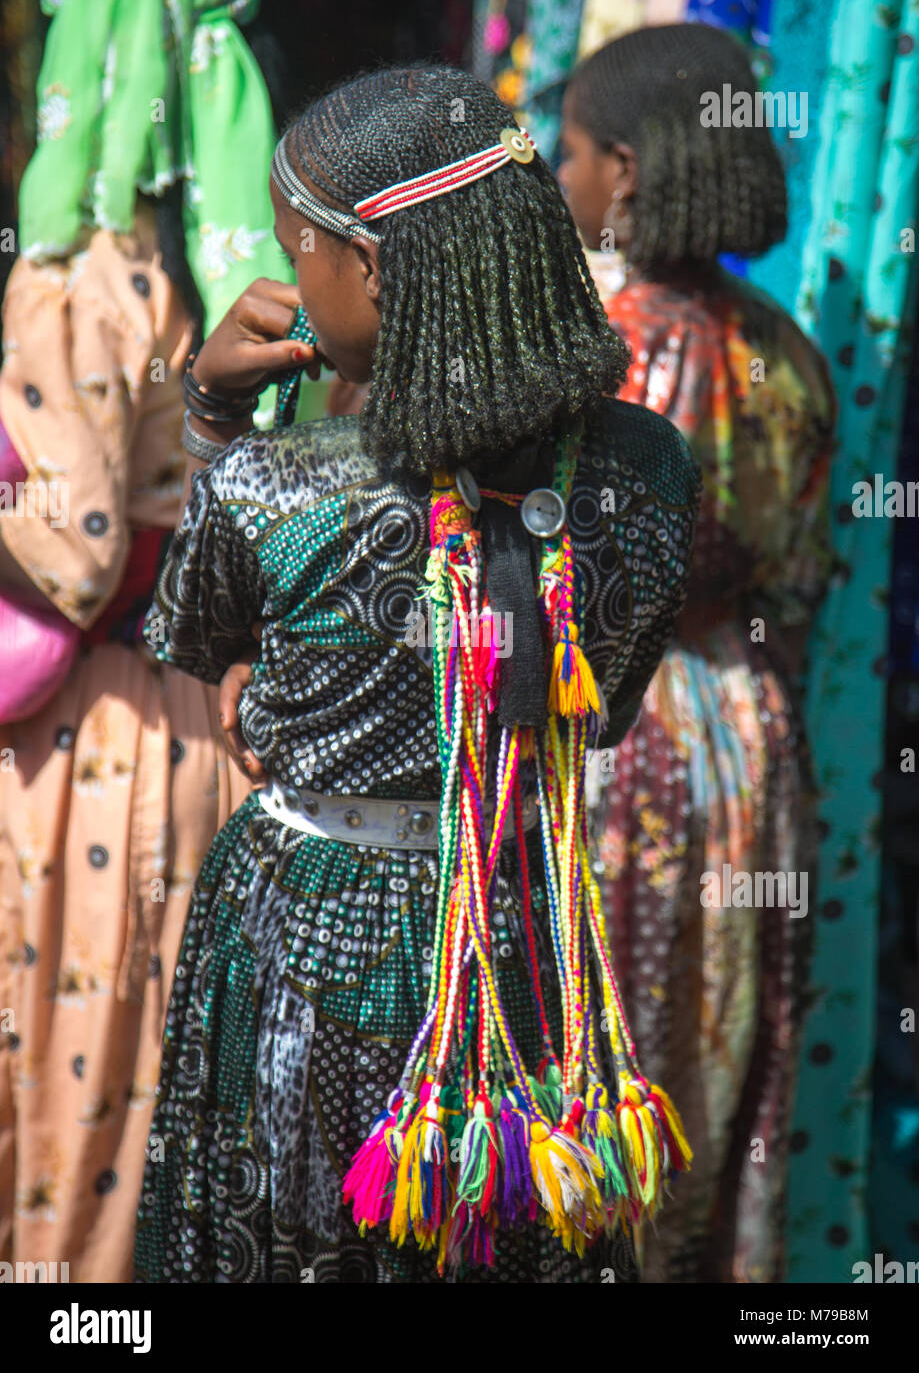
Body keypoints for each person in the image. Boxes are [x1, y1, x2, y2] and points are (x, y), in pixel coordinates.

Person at [132, 63, 702, 1284]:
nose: (287, 278)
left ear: (375, 270)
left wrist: (211, 417)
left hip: (306, 931)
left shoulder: (275, 484)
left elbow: (189, 634)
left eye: (302, 248)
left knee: (287, 1231)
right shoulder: (653, 472)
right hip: (514, 931)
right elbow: (597, 719)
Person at [0, 0, 290, 1281]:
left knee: (70, 1101)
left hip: (86, 752)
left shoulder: (71, 289)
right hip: (184, 728)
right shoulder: (197, 283)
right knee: (144, 1087)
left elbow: (72, 553)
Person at [558, 22, 837, 1282]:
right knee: (713, 1082)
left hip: (622, 744)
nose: (553, 178)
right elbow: (804, 582)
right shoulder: (787, 354)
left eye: (564, 152)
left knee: (598, 1083)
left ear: (621, 168)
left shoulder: (593, 352)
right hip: (750, 749)